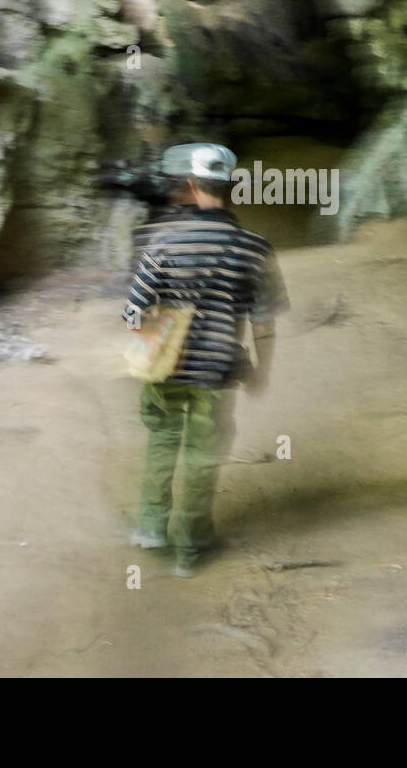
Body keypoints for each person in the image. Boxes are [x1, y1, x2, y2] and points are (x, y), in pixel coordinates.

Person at [121, 142, 288, 577]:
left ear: (192, 187)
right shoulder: (256, 248)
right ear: (231, 188)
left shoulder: (163, 241)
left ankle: (151, 527)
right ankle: (189, 553)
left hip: (166, 369)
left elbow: (132, 312)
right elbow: (264, 321)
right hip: (217, 370)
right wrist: (260, 373)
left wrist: (153, 343)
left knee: (161, 442)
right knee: (202, 457)